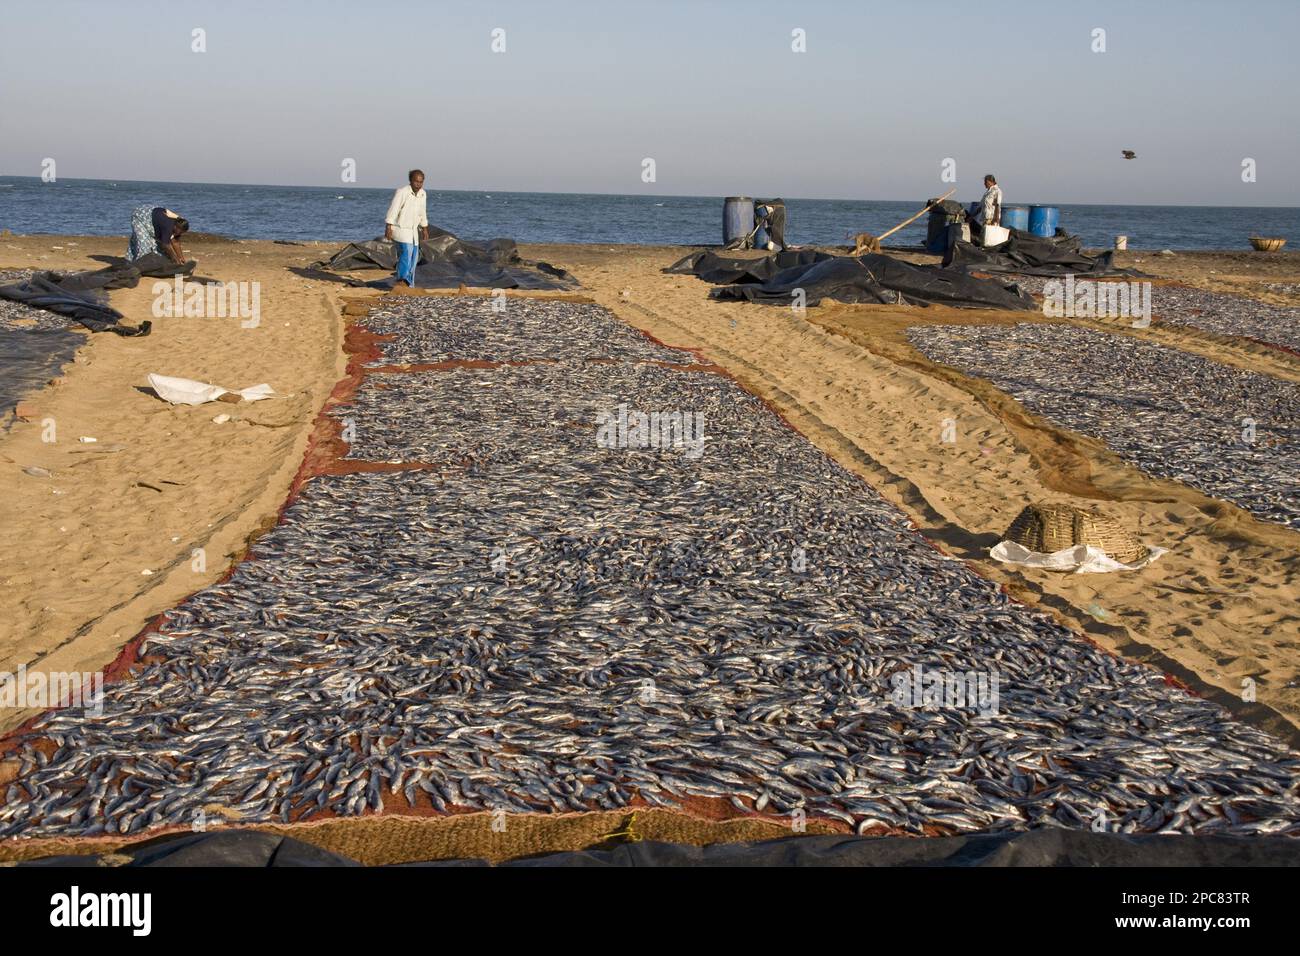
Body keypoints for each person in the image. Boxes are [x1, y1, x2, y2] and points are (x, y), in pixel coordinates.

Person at [385, 169, 430, 287]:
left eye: (421, 182)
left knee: (414, 257)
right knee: (406, 254)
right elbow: (393, 209)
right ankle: (401, 280)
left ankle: (410, 284)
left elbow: (422, 212)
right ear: (410, 181)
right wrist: (388, 226)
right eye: (416, 181)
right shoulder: (402, 192)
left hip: (413, 232)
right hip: (401, 229)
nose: (418, 184)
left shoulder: (422, 194)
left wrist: (425, 228)